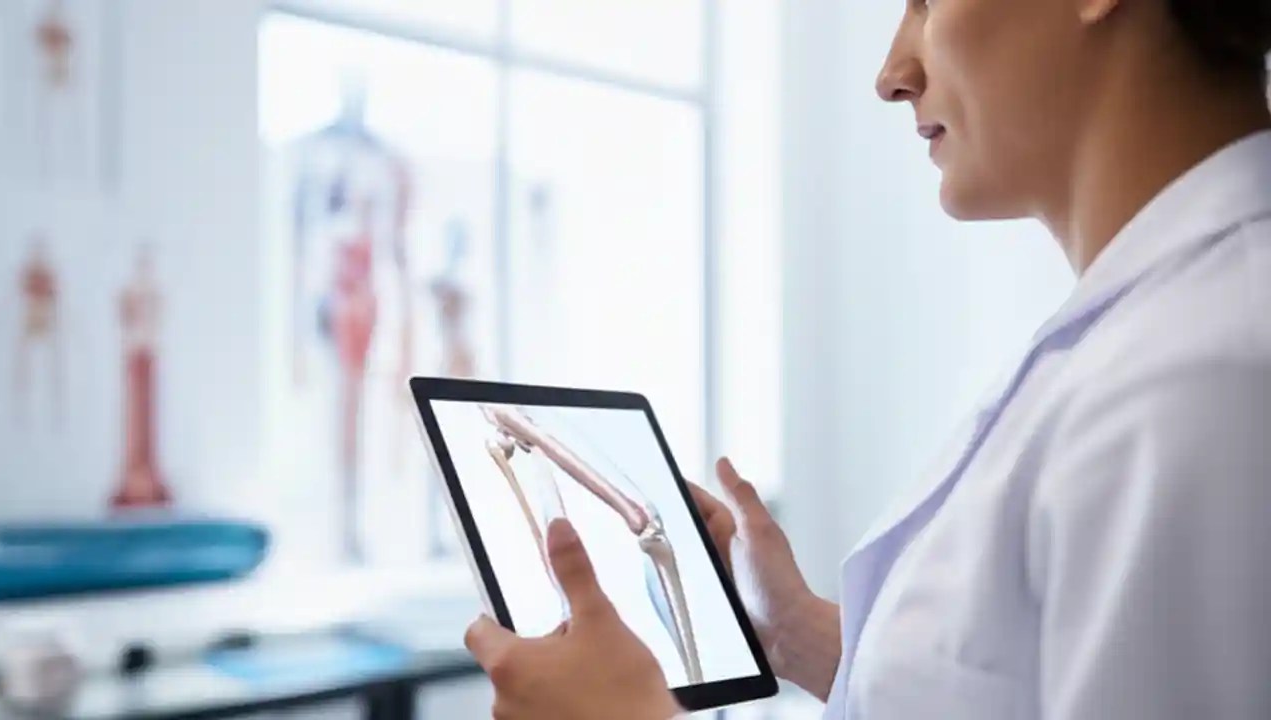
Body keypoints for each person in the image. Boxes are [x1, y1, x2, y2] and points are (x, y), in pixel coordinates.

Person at [464, 0, 1271, 717]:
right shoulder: (1147, 339)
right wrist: (796, 635)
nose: (891, 75)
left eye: (926, 1)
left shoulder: (1205, 376)